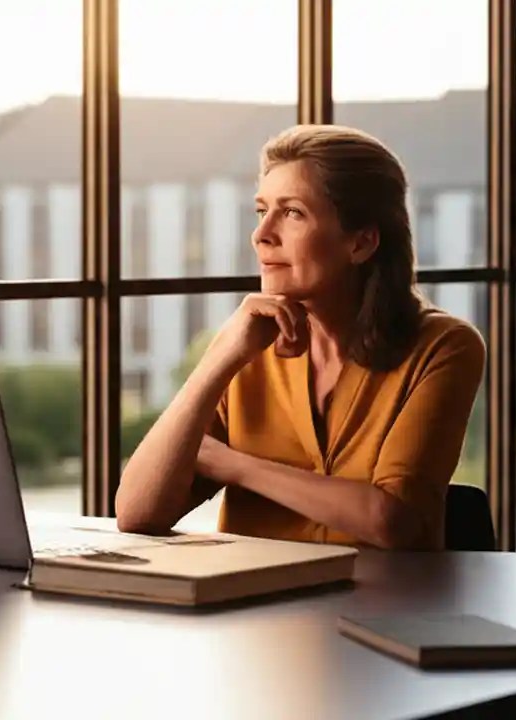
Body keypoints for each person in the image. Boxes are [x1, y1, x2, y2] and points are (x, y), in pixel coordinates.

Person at [115, 124, 485, 551]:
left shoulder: (444, 346)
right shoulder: (248, 345)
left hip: (385, 613)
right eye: (261, 211)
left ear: (361, 243)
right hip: (257, 611)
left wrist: (232, 465)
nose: (262, 234)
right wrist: (221, 358)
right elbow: (137, 513)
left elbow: (392, 520)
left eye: (292, 213)